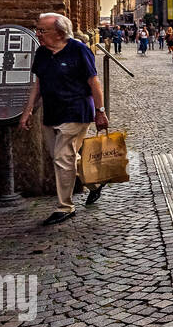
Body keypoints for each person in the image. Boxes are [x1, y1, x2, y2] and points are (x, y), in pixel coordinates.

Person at [19, 13, 108, 225]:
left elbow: (93, 83)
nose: (37, 34)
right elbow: (38, 84)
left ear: (59, 33)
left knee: (61, 157)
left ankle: (65, 207)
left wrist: (100, 111)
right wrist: (28, 110)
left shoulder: (79, 50)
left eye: (42, 30)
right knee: (64, 158)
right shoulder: (42, 53)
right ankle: (95, 183)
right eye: (37, 29)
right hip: (52, 112)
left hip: (76, 111)